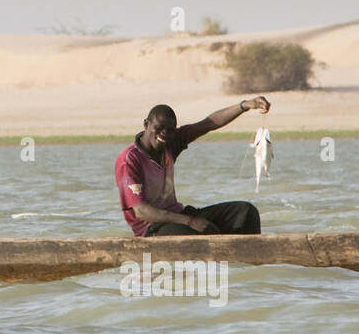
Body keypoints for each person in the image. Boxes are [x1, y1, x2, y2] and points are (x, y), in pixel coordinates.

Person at [114, 97, 272, 237]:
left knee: (246, 212)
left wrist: (244, 105)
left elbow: (208, 124)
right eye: (159, 128)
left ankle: (250, 262)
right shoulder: (129, 160)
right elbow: (141, 211)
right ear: (146, 124)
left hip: (179, 216)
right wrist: (189, 221)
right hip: (151, 229)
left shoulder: (170, 143)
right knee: (199, 234)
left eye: (170, 130)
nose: (164, 134)